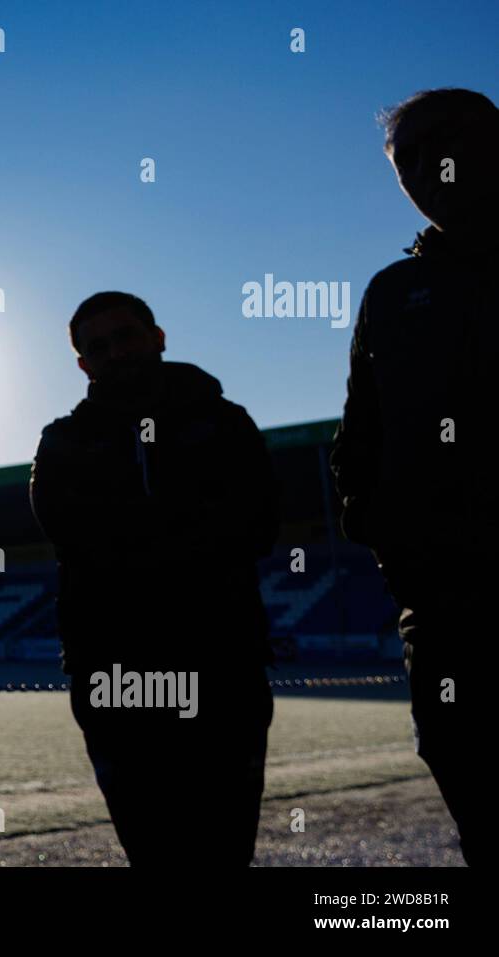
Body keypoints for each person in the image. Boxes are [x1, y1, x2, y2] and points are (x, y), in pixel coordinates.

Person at [30, 291, 278, 866]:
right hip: (115, 678)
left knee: (224, 848)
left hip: (222, 668)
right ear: (82, 365)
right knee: (153, 851)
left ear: (158, 336)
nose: (115, 353)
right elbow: (76, 538)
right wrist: (186, 531)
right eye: (98, 347)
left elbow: (255, 522)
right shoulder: (63, 442)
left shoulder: (224, 422)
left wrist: (140, 536)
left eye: (126, 337)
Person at [331, 88, 498, 865]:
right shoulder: (393, 295)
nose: (429, 168)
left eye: (447, 141)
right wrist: (379, 525)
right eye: (407, 161)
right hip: (445, 601)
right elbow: (359, 432)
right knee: (471, 779)